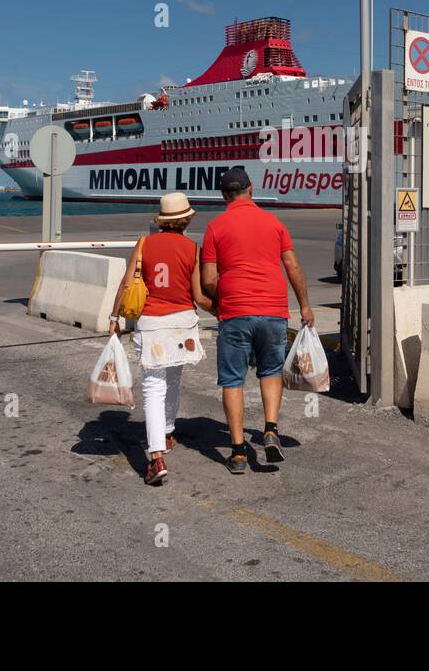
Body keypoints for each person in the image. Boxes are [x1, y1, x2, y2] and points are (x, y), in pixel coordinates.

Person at [201, 166, 314, 474]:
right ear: (251, 189)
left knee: (232, 380)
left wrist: (225, 296)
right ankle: (271, 430)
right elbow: (292, 266)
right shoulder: (274, 223)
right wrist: (305, 306)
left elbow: (209, 278)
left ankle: (238, 452)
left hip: (236, 311)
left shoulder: (215, 227)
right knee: (271, 371)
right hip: (274, 310)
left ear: (224, 195)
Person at [109, 193, 213, 486]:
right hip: (183, 324)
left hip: (152, 323)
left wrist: (115, 317)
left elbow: (128, 282)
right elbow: (197, 295)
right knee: (173, 380)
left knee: (153, 388)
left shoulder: (145, 243)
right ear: (186, 219)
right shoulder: (193, 248)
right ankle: (167, 433)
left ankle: (156, 458)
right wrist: (220, 309)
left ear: (162, 219)